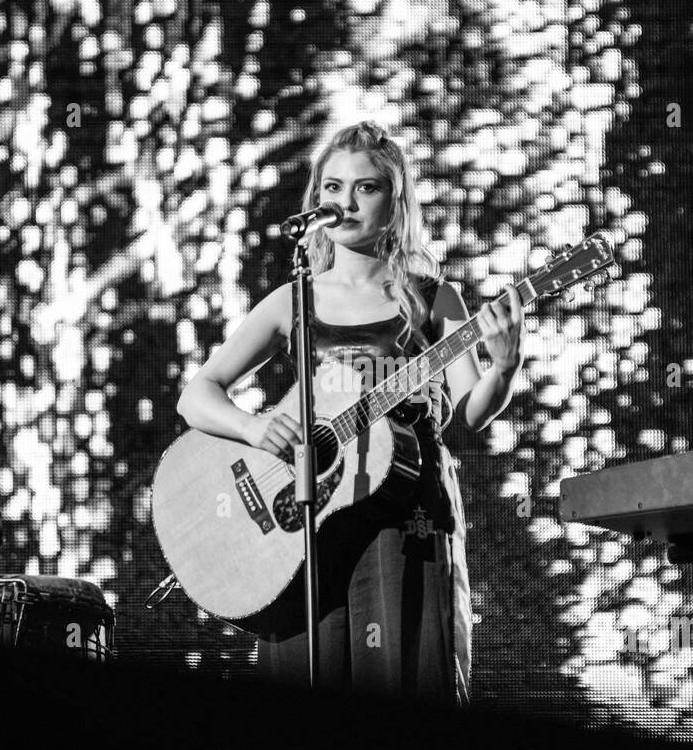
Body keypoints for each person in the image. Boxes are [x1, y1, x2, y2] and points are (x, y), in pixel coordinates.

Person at [175, 121, 524, 707]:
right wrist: (255, 427)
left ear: (396, 199)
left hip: (406, 522)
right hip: (309, 523)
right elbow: (197, 395)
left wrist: (504, 369)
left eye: (366, 188)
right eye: (333, 188)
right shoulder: (296, 298)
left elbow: (472, 410)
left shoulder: (433, 296)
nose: (345, 201)